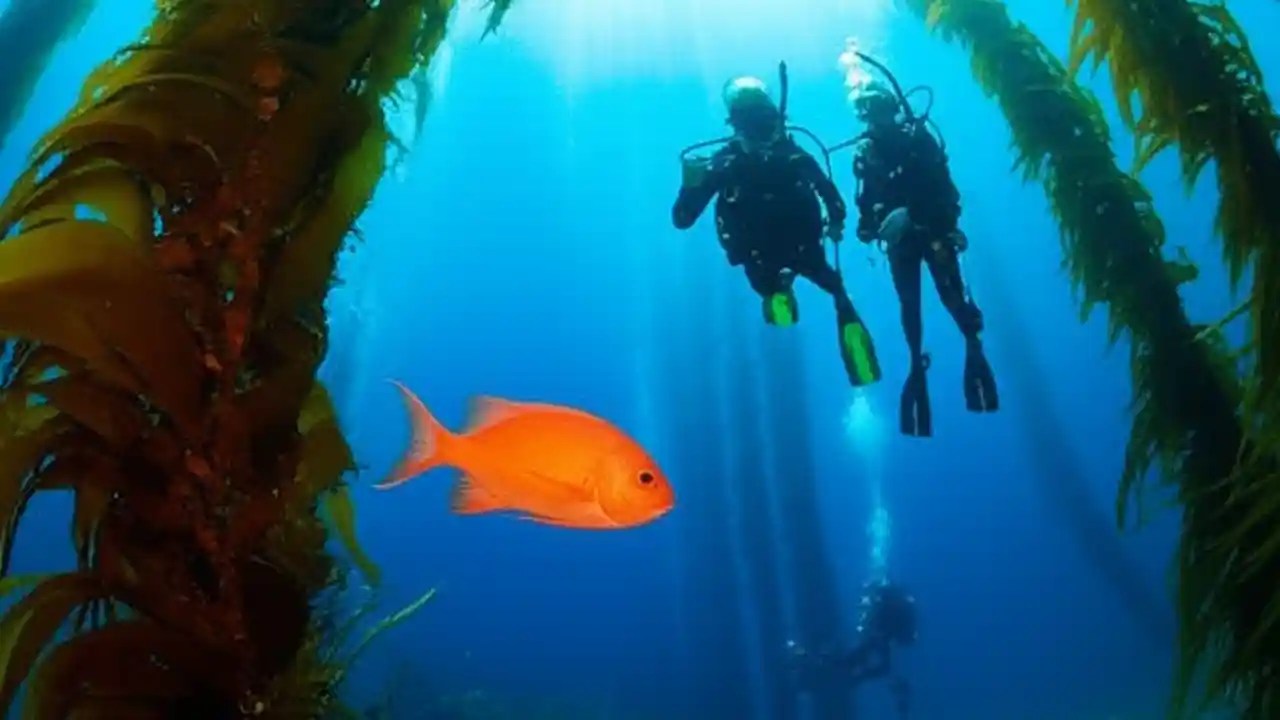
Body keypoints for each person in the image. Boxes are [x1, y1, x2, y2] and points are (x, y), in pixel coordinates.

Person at [672, 75, 882, 388]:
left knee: (800, 297)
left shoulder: (754, 160)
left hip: (776, 255)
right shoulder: (739, 162)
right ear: (737, 125)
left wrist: (690, 188)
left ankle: (794, 301)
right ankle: (803, 305)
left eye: (765, 123)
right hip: (789, 253)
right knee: (825, 293)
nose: (760, 134)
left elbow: (682, 219)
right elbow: (683, 218)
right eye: (751, 124)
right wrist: (689, 186)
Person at [850, 79, 998, 436]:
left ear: (894, 110)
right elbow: (866, 202)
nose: (876, 121)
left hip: (933, 232)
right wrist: (867, 226)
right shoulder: (865, 156)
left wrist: (914, 216)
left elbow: (946, 193)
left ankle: (972, 345)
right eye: (869, 114)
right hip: (901, 243)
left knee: (952, 297)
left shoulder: (918, 140)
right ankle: (916, 361)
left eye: (881, 111)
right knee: (909, 305)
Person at [785, 578, 917, 718]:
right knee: (876, 664)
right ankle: (829, 667)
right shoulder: (891, 604)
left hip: (881, 636)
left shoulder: (881, 602)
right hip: (885, 637)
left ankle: (818, 662)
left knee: (858, 660)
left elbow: (870, 623)